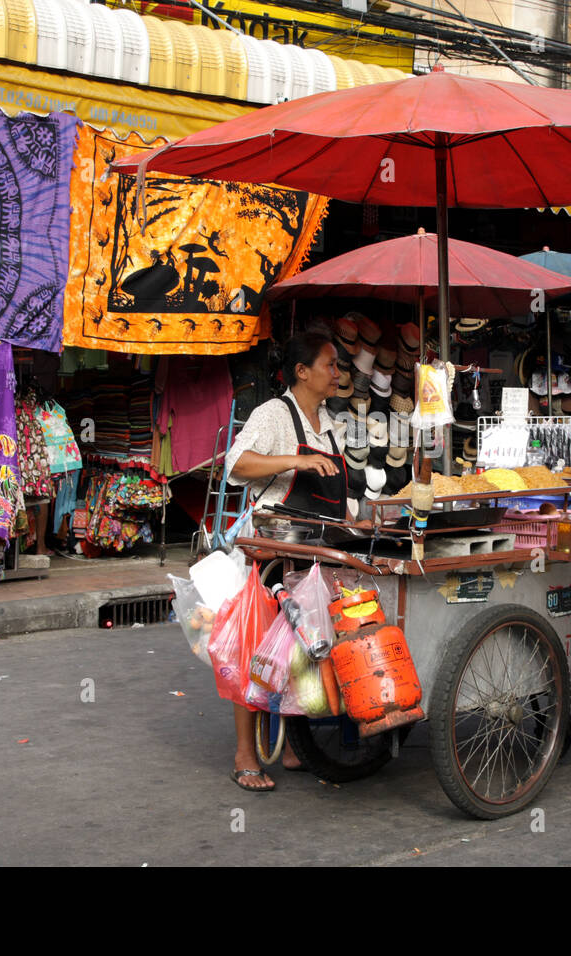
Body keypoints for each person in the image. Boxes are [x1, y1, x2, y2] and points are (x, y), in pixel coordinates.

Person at [221, 332, 347, 791]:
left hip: (315, 552)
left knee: (301, 653)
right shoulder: (273, 414)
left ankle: (294, 745)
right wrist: (297, 460)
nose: (337, 373)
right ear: (302, 371)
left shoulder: (330, 423)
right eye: (330, 364)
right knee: (256, 653)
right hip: (272, 553)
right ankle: (245, 754)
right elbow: (236, 464)